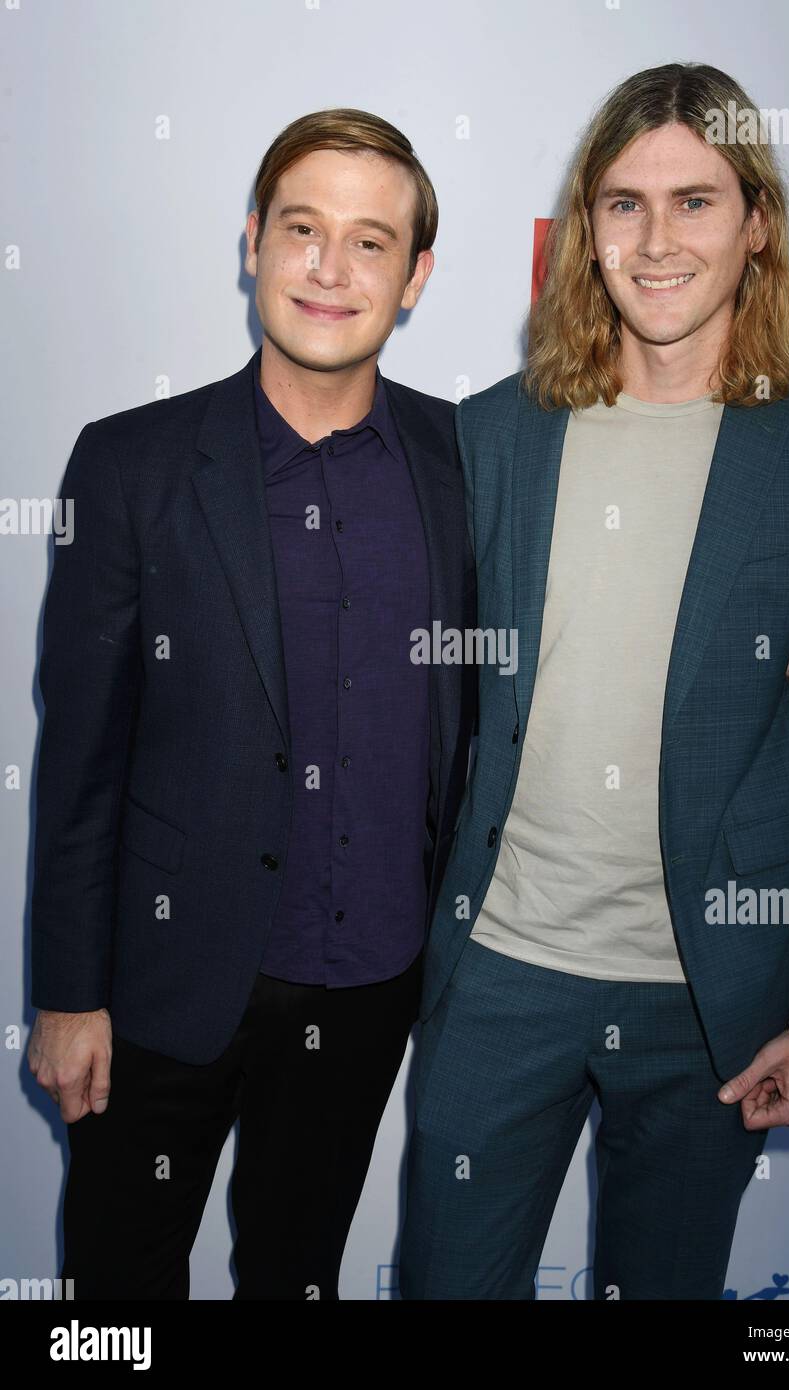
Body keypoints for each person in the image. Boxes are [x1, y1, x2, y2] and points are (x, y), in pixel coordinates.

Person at [399, 62, 789, 1300]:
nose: (657, 239)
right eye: (624, 204)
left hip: (713, 1007)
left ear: (757, 222)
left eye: (695, 201)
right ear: (586, 229)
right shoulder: (491, 431)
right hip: (504, 973)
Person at [27, 109, 476, 1300]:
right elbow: (78, 757)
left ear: (416, 275)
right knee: (116, 1294)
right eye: (303, 230)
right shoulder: (130, 465)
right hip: (161, 992)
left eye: (372, 242)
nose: (332, 270)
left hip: (370, 978)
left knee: (300, 1274)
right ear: (251, 244)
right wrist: (69, 994)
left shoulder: (470, 465)